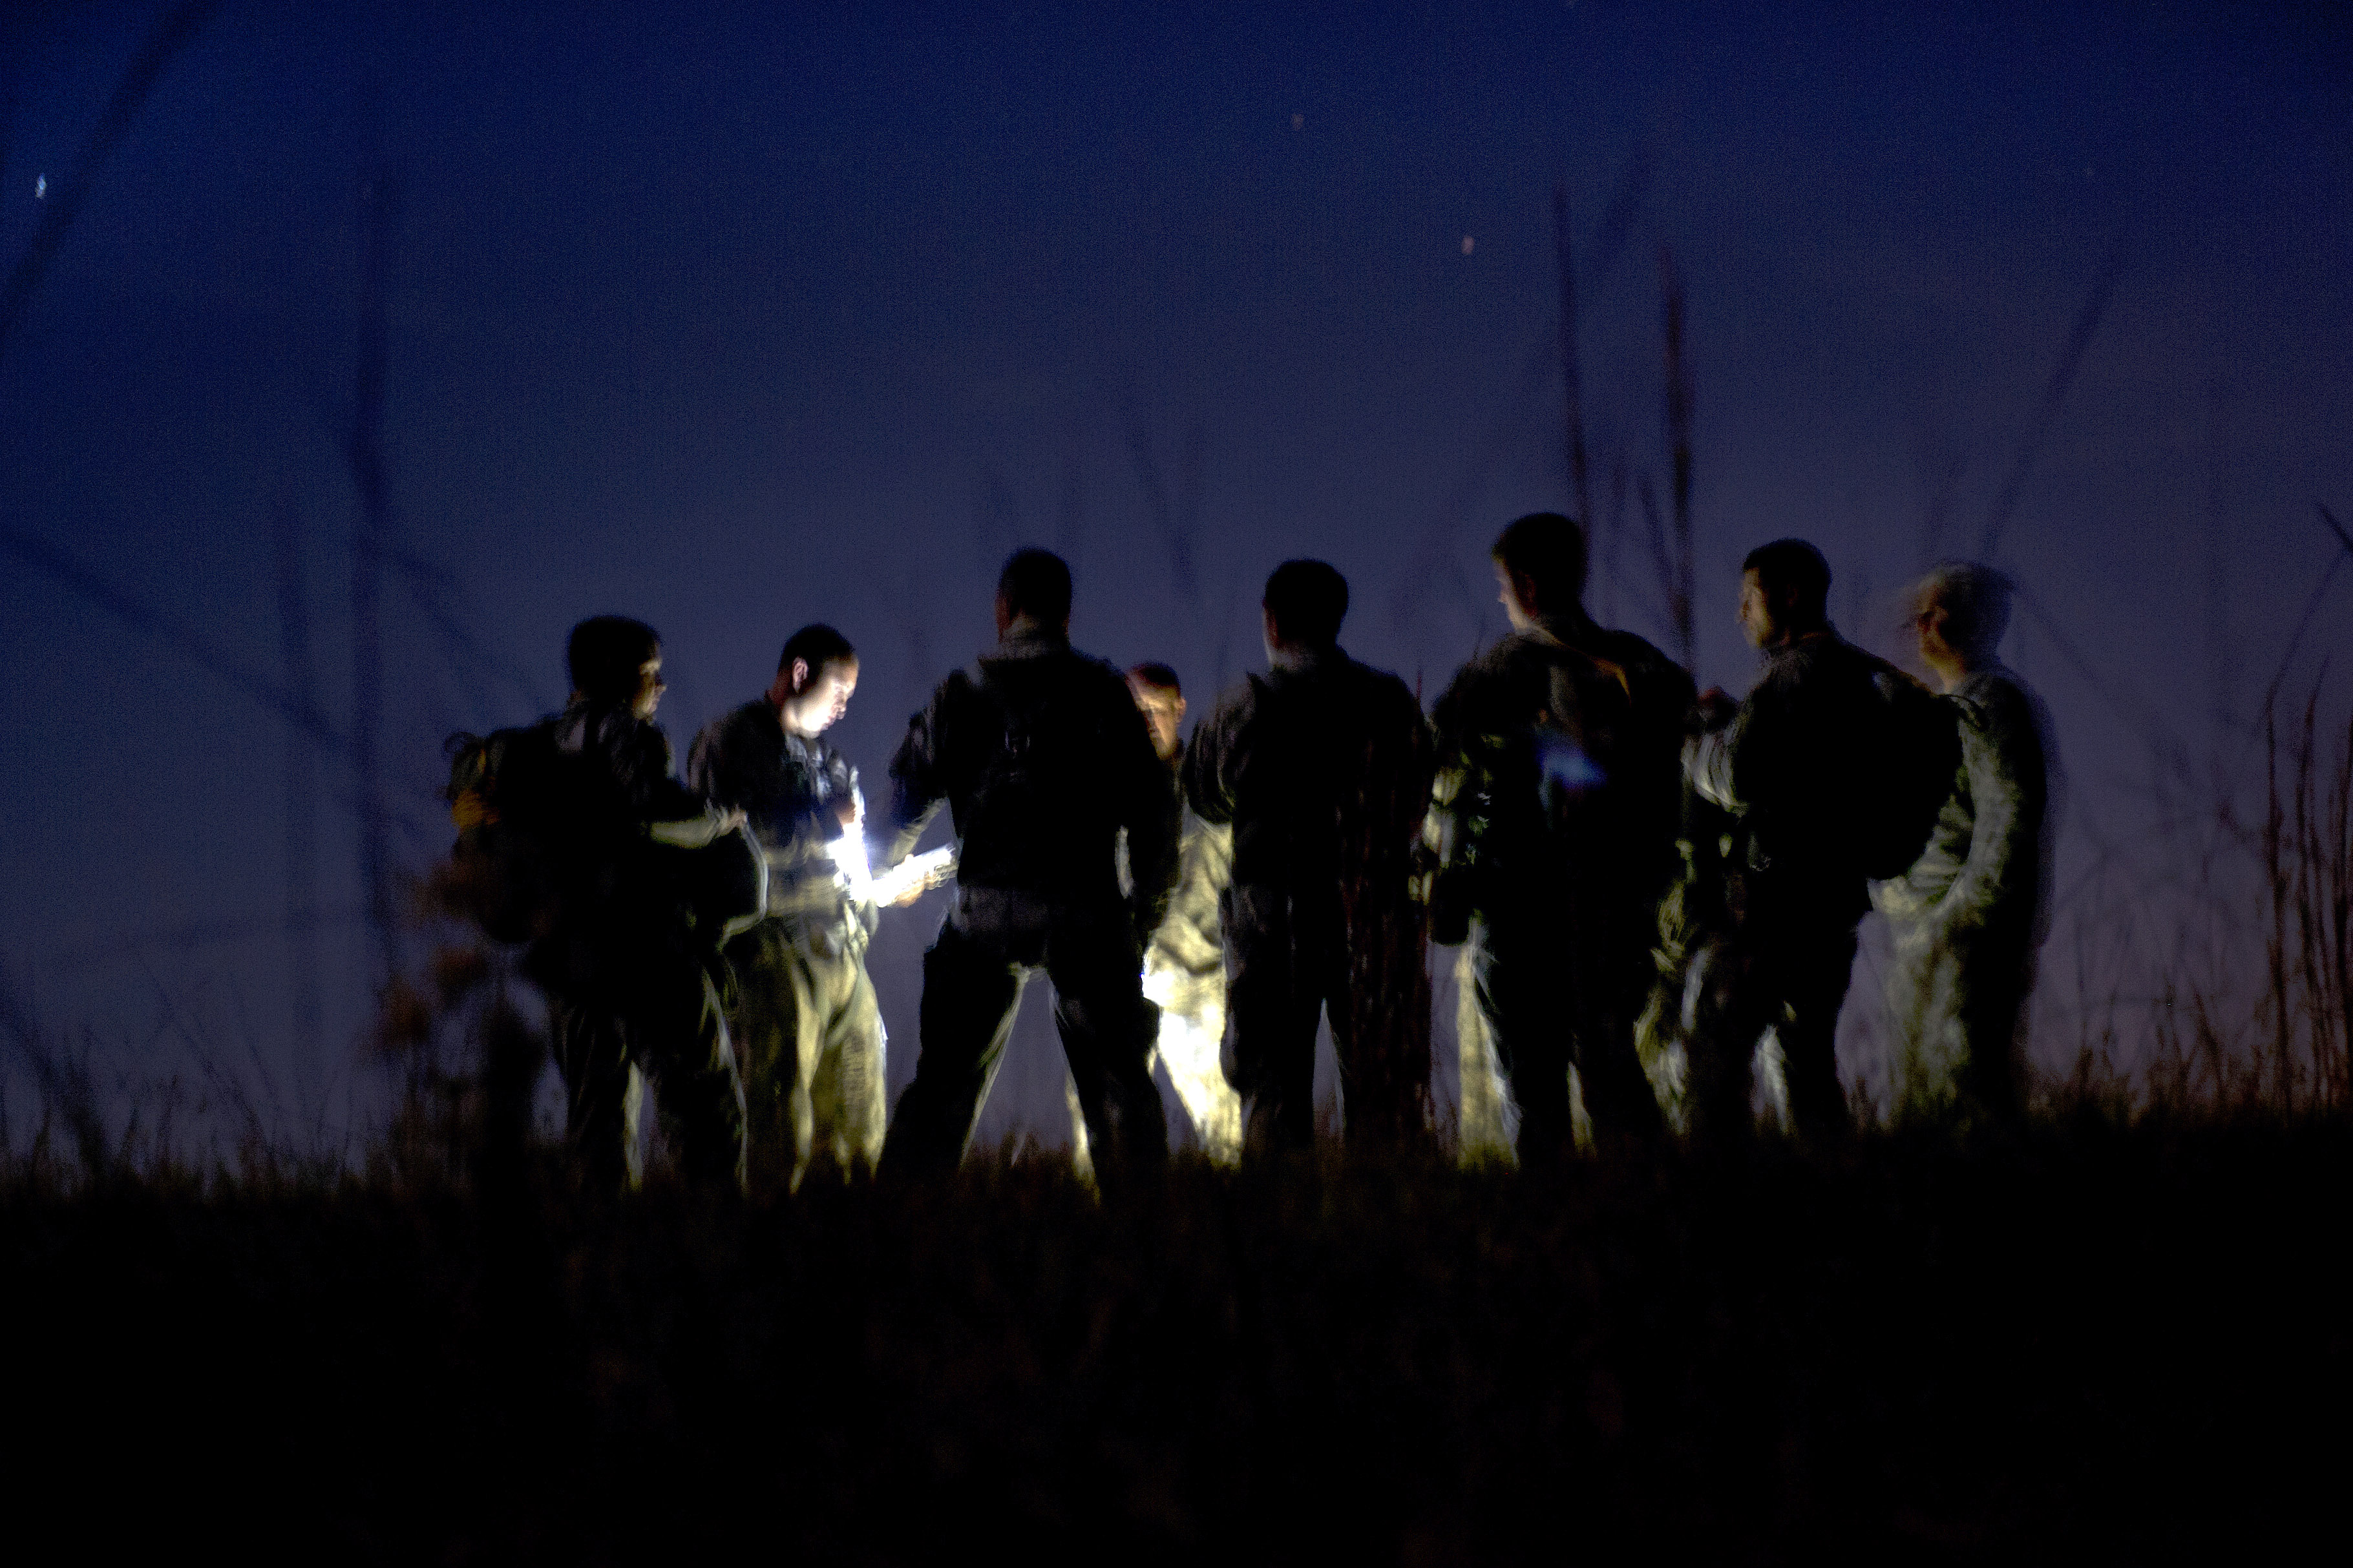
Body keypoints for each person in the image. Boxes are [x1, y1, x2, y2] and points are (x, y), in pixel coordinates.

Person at [878, 549, 1177, 1179]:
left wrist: (880, 868)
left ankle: (895, 1240)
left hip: (982, 911)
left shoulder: (960, 694)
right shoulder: (1103, 695)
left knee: (940, 1092)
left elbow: (896, 810)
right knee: (1120, 1092)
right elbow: (1154, 816)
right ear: (1067, 616)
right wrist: (1139, 922)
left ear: (1002, 611)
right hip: (1086, 912)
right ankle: (1148, 1242)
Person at [1428, 514, 1692, 1158]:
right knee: (1612, 1065)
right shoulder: (1641, 665)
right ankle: (1650, 1213)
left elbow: (1441, 757)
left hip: (1519, 903)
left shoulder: (1504, 667)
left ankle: (1553, 1232)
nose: (1499, 598)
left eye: (1501, 583)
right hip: (1617, 901)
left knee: (1530, 1089)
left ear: (1525, 583)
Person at [1683, 540, 1928, 1145]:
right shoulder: (1857, 673)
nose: (1740, 613)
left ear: (1788, 595)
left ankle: (1710, 1200)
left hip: (1772, 902)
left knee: (1713, 1045)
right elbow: (1814, 766)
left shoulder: (1793, 674)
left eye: (1749, 597)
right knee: (1805, 1063)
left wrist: (1695, 744)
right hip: (1833, 904)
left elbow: (1738, 777)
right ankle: (1826, 1196)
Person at [1185, 560, 1435, 1152]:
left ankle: (1280, 1235)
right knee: (1384, 1097)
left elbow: (1204, 798)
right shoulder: (1390, 701)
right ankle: (1394, 1227)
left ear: (1271, 623)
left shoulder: (1241, 706)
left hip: (1274, 926)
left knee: (1271, 1097)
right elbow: (1419, 793)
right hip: (1370, 920)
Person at [521, 614, 747, 1191]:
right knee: (706, 1108)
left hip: (569, 960)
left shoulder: (546, 743)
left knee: (598, 1126)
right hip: (641, 950)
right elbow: (658, 814)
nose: (661, 687)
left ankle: (606, 1264)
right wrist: (722, 818)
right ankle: (718, 1255)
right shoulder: (625, 733)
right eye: (652, 673)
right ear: (614, 674)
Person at [689, 624, 897, 1188]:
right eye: (838, 692)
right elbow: (728, 840)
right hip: (773, 952)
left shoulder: (833, 762)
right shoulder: (731, 741)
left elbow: (853, 853)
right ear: (800, 674)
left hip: (842, 952)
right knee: (781, 1119)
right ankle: (774, 1247)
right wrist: (821, 825)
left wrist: (879, 888)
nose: (843, 708)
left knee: (860, 1120)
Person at [1875, 563, 2058, 1128]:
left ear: (1979, 618)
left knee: (1963, 1081)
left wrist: (1960, 919)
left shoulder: (1991, 703)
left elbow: (2009, 819)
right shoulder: (1949, 706)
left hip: (1967, 939)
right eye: (1920, 611)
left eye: (1940, 608)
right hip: (1927, 934)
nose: (1921, 622)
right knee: (1918, 1087)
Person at [1130, 662, 1243, 1161]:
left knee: (1223, 1127)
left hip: (1199, 985)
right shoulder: (1105, 793)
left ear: (1179, 710)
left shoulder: (1210, 792)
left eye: (1156, 710)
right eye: (1136, 711)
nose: (1147, 722)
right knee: (1104, 1132)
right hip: (1120, 984)